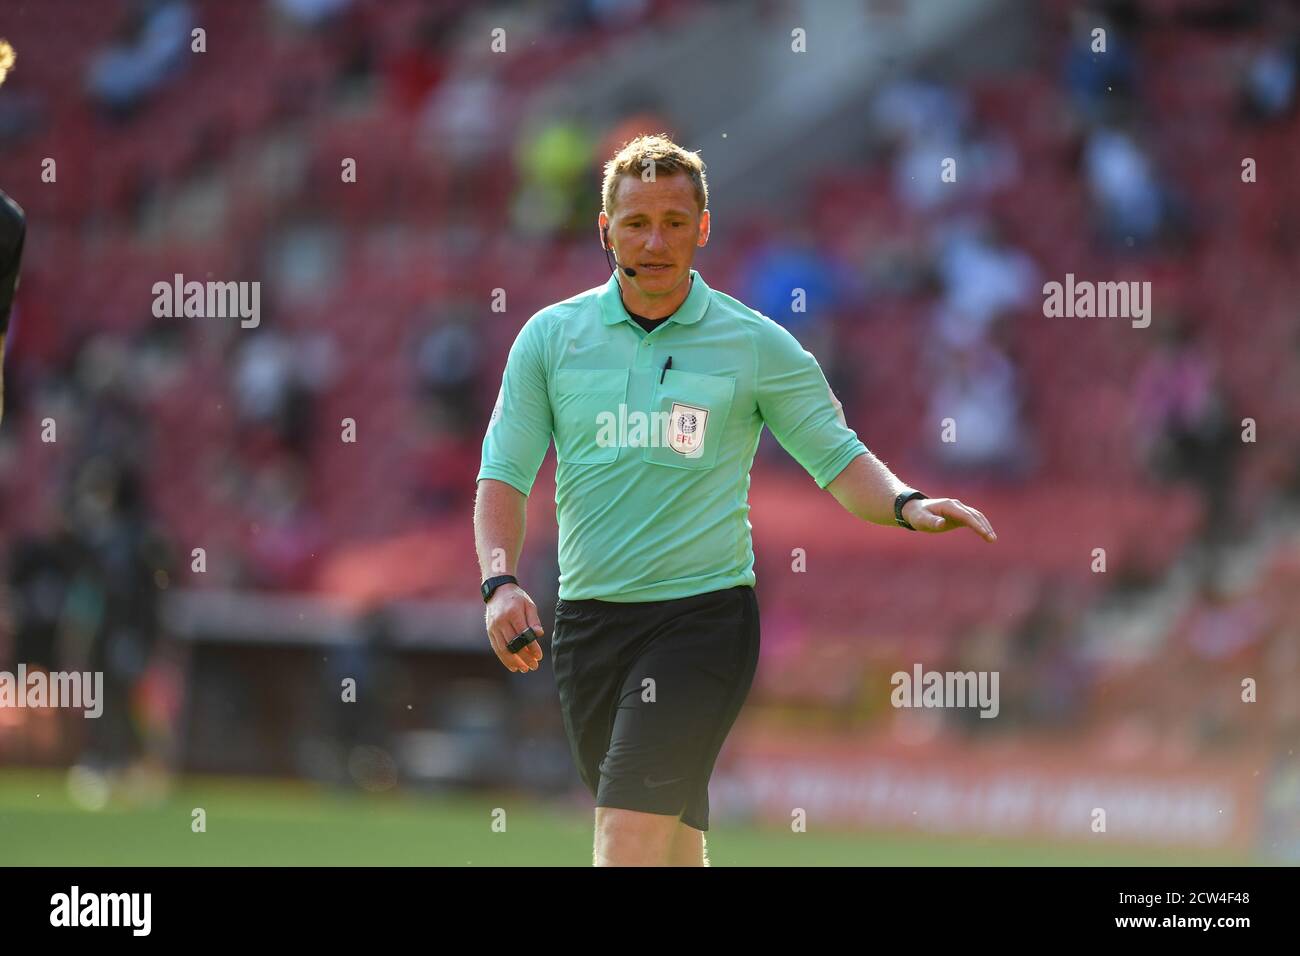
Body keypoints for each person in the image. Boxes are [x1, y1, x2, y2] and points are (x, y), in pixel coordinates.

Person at [473, 134, 997, 867]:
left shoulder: (756, 345)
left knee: (625, 842)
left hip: (702, 621)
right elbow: (504, 472)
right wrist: (499, 582)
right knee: (676, 848)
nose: (656, 241)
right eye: (636, 223)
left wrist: (906, 503)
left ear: (704, 229)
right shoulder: (550, 340)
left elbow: (838, 456)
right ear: (605, 230)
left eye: (675, 222)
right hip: (588, 625)